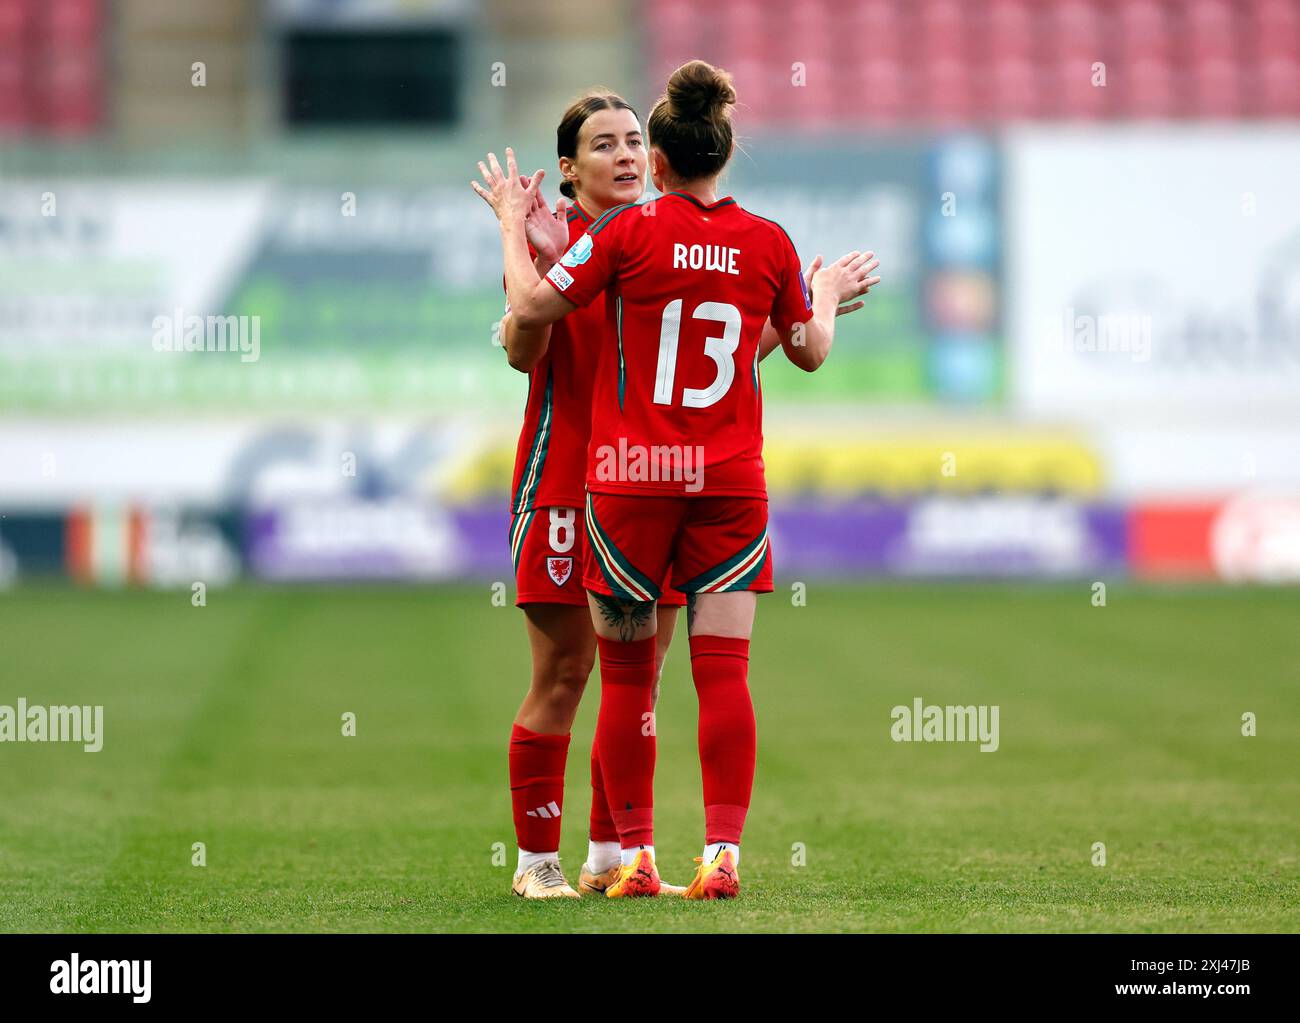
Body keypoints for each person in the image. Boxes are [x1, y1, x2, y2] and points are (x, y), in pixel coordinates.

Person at [475, 59, 880, 899]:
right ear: (569, 169)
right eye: (603, 144)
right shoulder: (596, 241)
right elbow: (523, 347)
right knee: (565, 675)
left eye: (633, 139)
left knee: (637, 679)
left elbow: (733, 356)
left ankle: (610, 857)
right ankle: (538, 862)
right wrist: (530, 243)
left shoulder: (644, 239)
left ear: (657, 156)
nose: (623, 155)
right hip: (569, 476)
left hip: (633, 484)